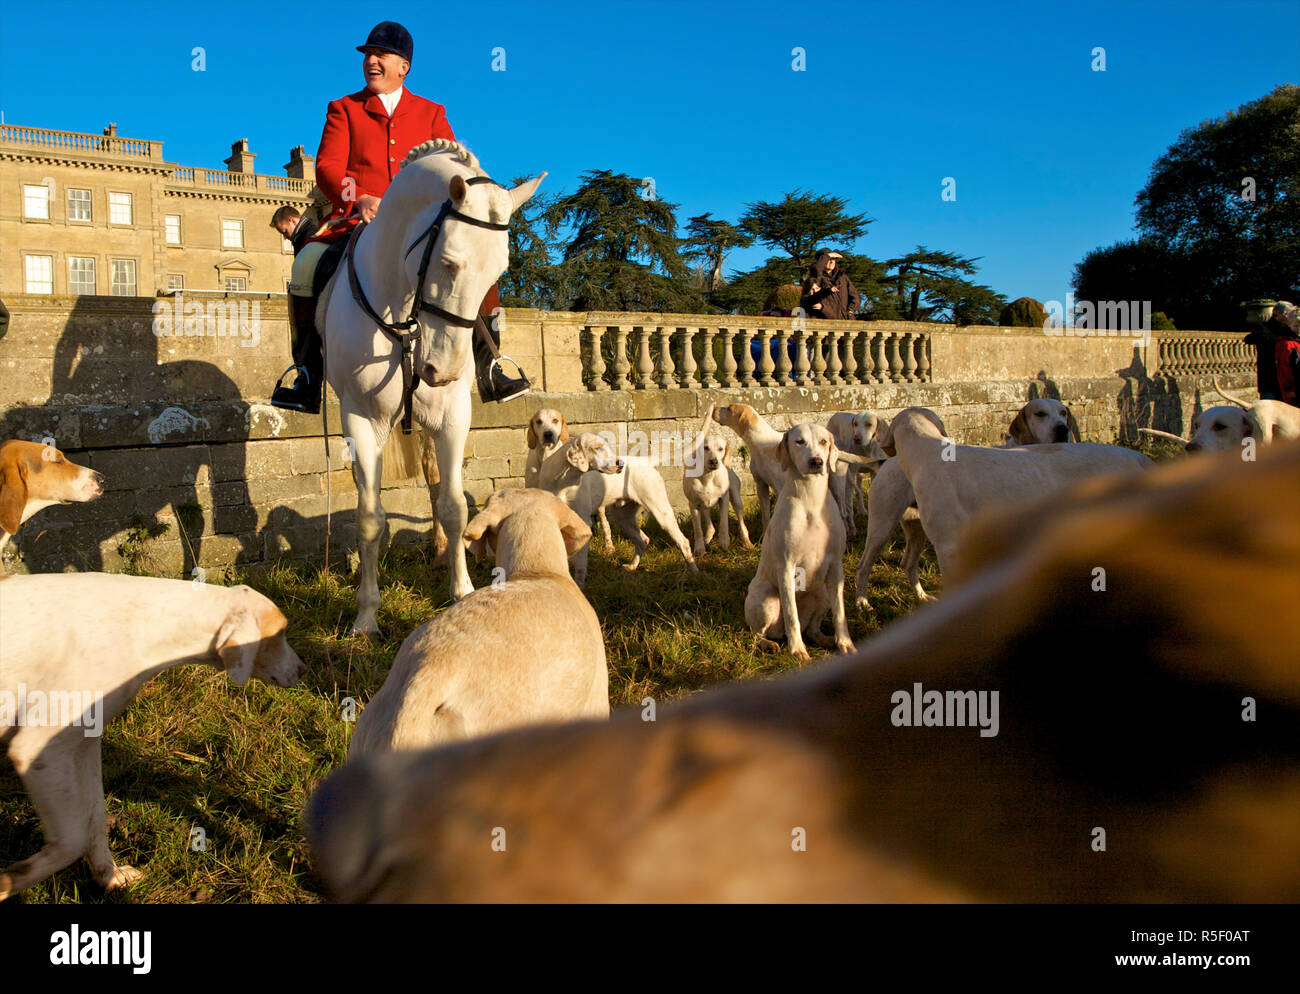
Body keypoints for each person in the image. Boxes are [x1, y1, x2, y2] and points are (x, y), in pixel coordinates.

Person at [271, 21, 529, 414]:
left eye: (380, 55)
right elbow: (326, 169)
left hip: (419, 228)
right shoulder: (343, 109)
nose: (371, 61)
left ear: (403, 66)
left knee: (477, 266)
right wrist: (356, 198)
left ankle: (491, 363)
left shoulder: (430, 112)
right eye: (367, 55)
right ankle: (306, 374)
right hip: (358, 222)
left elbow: (453, 166)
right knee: (306, 265)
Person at [800, 249, 860, 321]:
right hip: (826, 321)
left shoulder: (843, 277)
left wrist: (851, 311)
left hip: (847, 321)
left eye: (833, 259)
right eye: (828, 259)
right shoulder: (818, 278)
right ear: (821, 260)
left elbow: (854, 296)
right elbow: (817, 268)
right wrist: (827, 255)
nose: (831, 262)